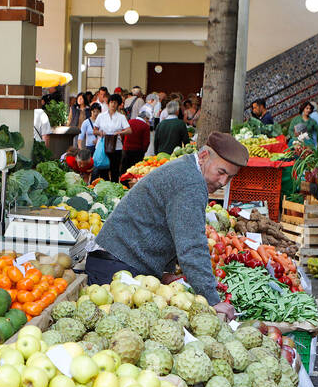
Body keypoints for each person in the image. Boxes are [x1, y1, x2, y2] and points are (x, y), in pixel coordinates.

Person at [86, 130, 247, 312]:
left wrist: (166, 272)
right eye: (221, 172)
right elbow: (192, 246)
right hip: (116, 268)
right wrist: (212, 301)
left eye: (230, 177)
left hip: (117, 261)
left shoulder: (187, 169)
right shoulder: (191, 183)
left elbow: (169, 227)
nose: (224, 181)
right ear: (203, 156)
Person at [93, 93, 130, 181]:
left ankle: (114, 191)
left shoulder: (121, 117)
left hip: (116, 147)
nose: (113, 104)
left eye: (115, 103)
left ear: (118, 105)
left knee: (115, 171)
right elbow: (94, 130)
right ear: (108, 103)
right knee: (103, 170)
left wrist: (119, 132)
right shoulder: (101, 116)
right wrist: (100, 133)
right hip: (103, 146)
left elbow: (129, 130)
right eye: (112, 102)